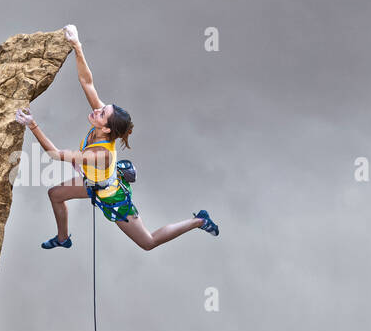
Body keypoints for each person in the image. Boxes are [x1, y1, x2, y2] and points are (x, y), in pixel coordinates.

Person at [14, 24, 219, 251]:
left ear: (108, 129)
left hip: (110, 195)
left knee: (147, 242)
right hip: (94, 181)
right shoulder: (101, 123)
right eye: (102, 108)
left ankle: (199, 220)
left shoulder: (100, 153)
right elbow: (87, 82)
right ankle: (63, 238)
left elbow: (54, 154)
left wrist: (32, 125)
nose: (97, 110)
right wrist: (77, 46)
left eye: (102, 113)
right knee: (55, 194)